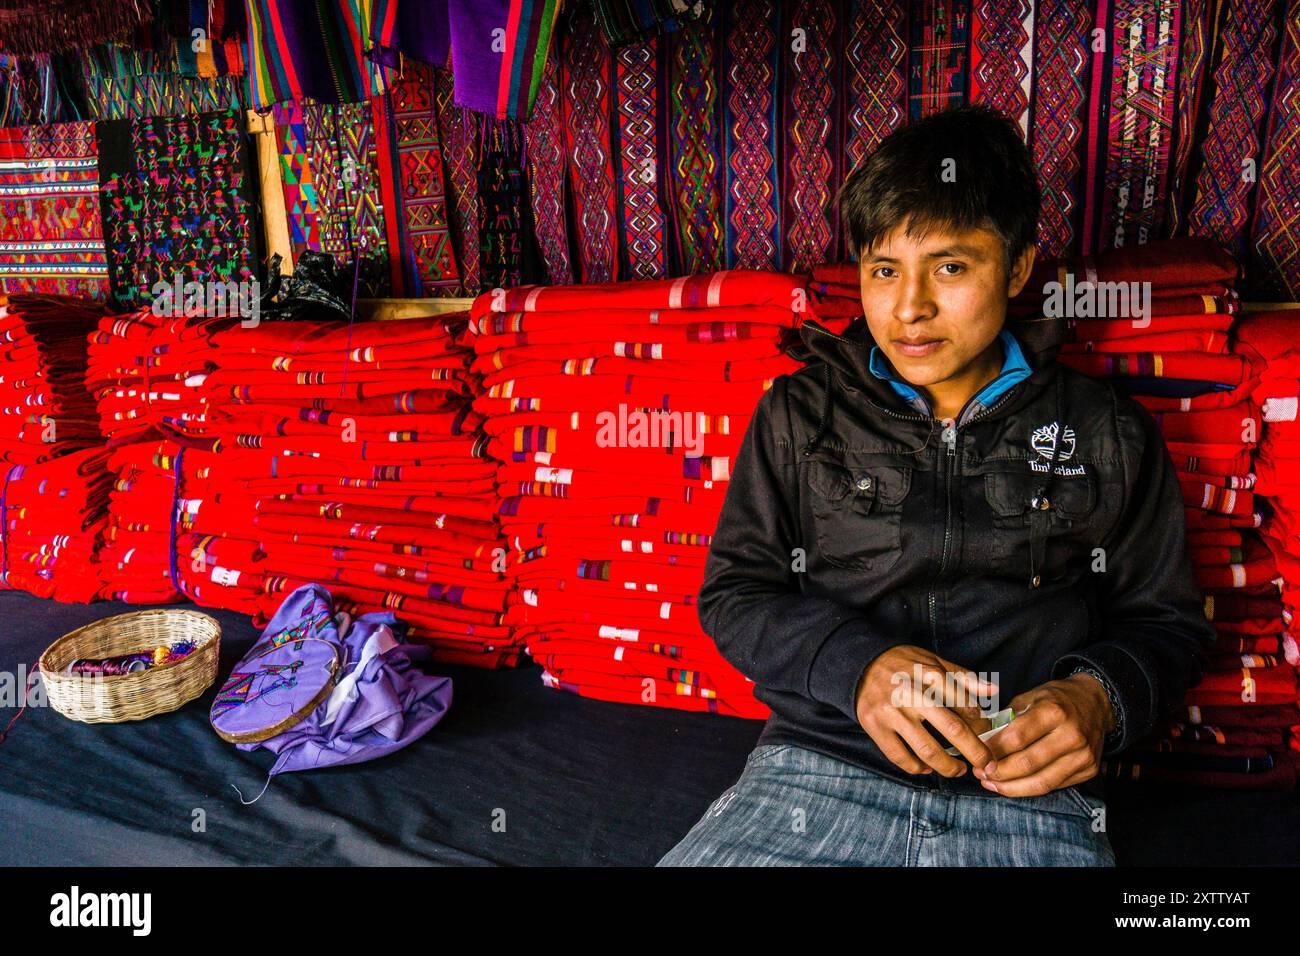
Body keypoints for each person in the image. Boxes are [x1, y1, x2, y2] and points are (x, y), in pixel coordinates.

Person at [657, 104, 1216, 867]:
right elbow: (735, 594)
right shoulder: (798, 413)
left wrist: (1097, 698)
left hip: (1025, 794)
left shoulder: (1106, 429)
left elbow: (1169, 626)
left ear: (1016, 267)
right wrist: (857, 670)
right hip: (814, 775)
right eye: (884, 270)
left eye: (950, 266)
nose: (909, 307)